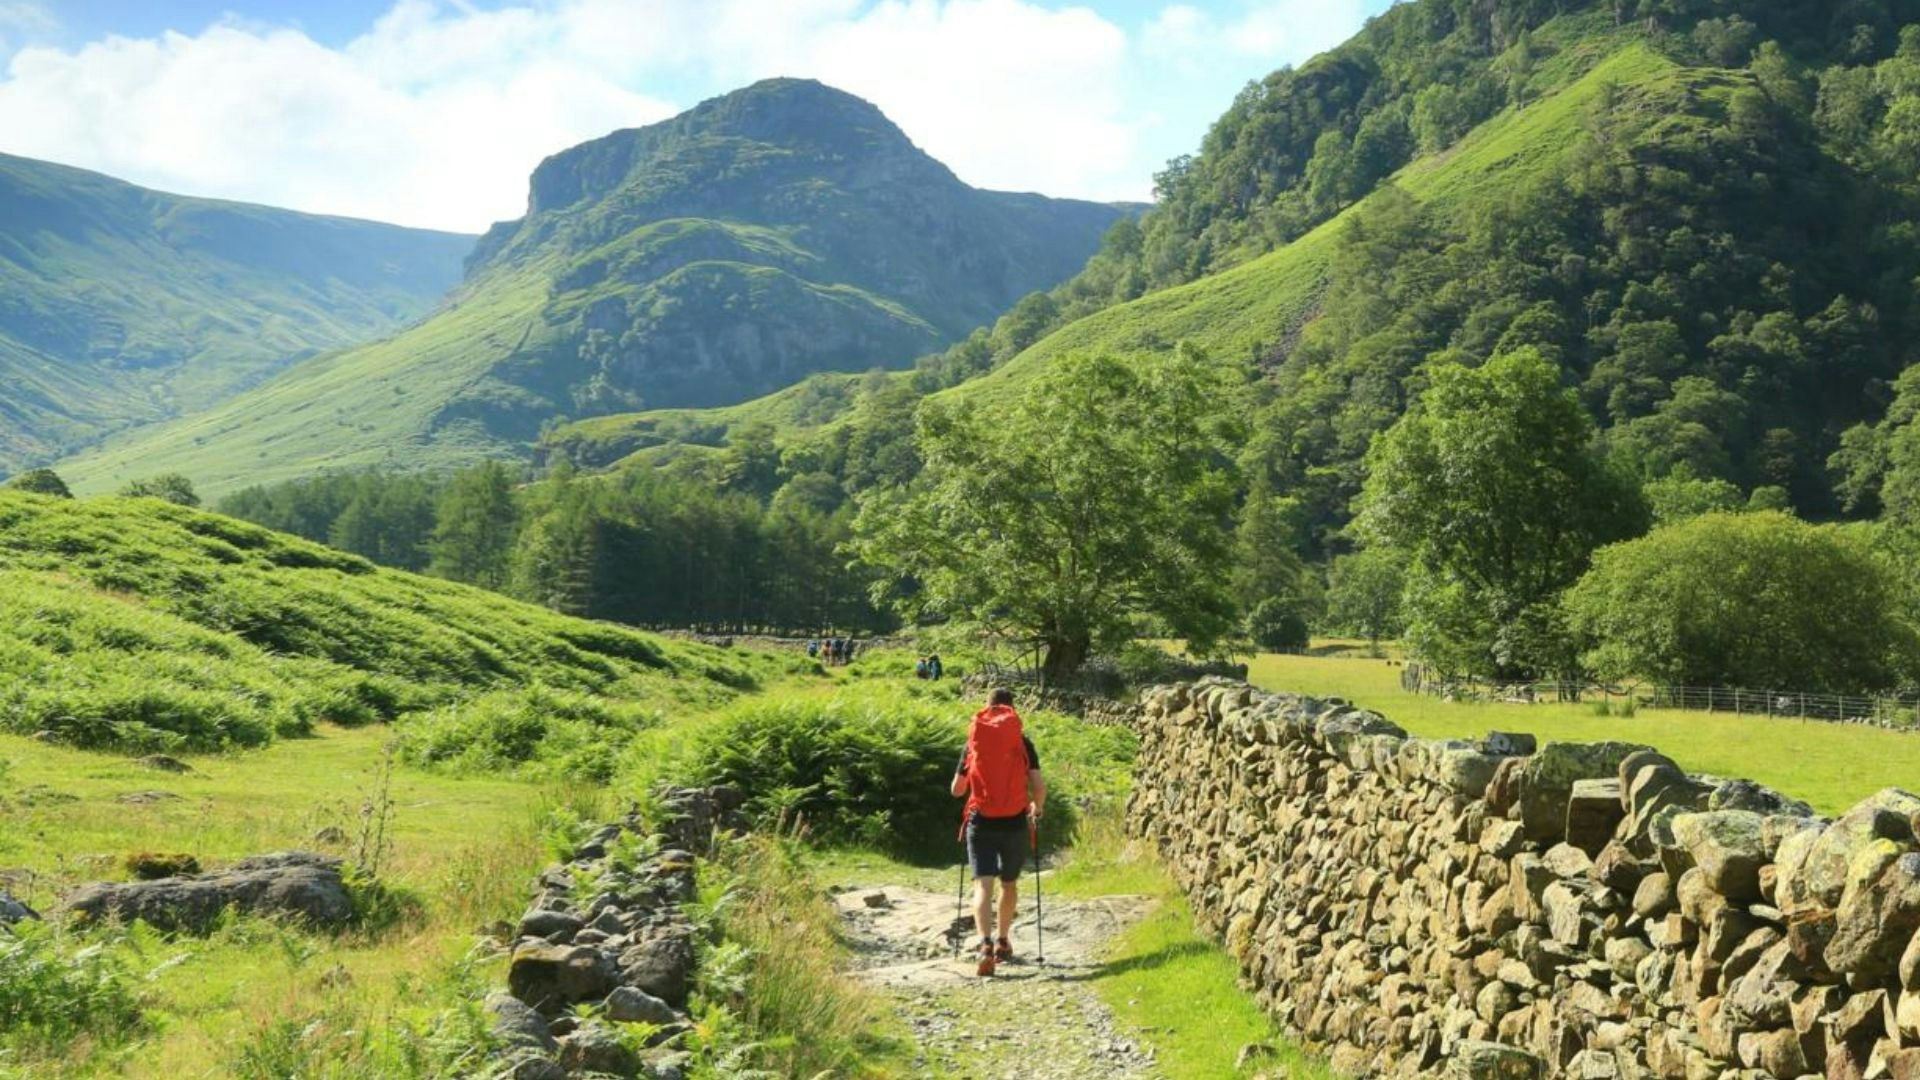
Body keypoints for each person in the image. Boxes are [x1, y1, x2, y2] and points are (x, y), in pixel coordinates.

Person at [950, 687, 1046, 976]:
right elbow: (1039, 786)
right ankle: (1004, 940)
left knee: (983, 885)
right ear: (1013, 710)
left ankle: (984, 944)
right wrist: (1036, 809)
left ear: (987, 708)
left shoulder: (974, 743)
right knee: (1009, 884)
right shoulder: (1022, 742)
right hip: (1015, 822)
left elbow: (956, 790)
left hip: (981, 821)